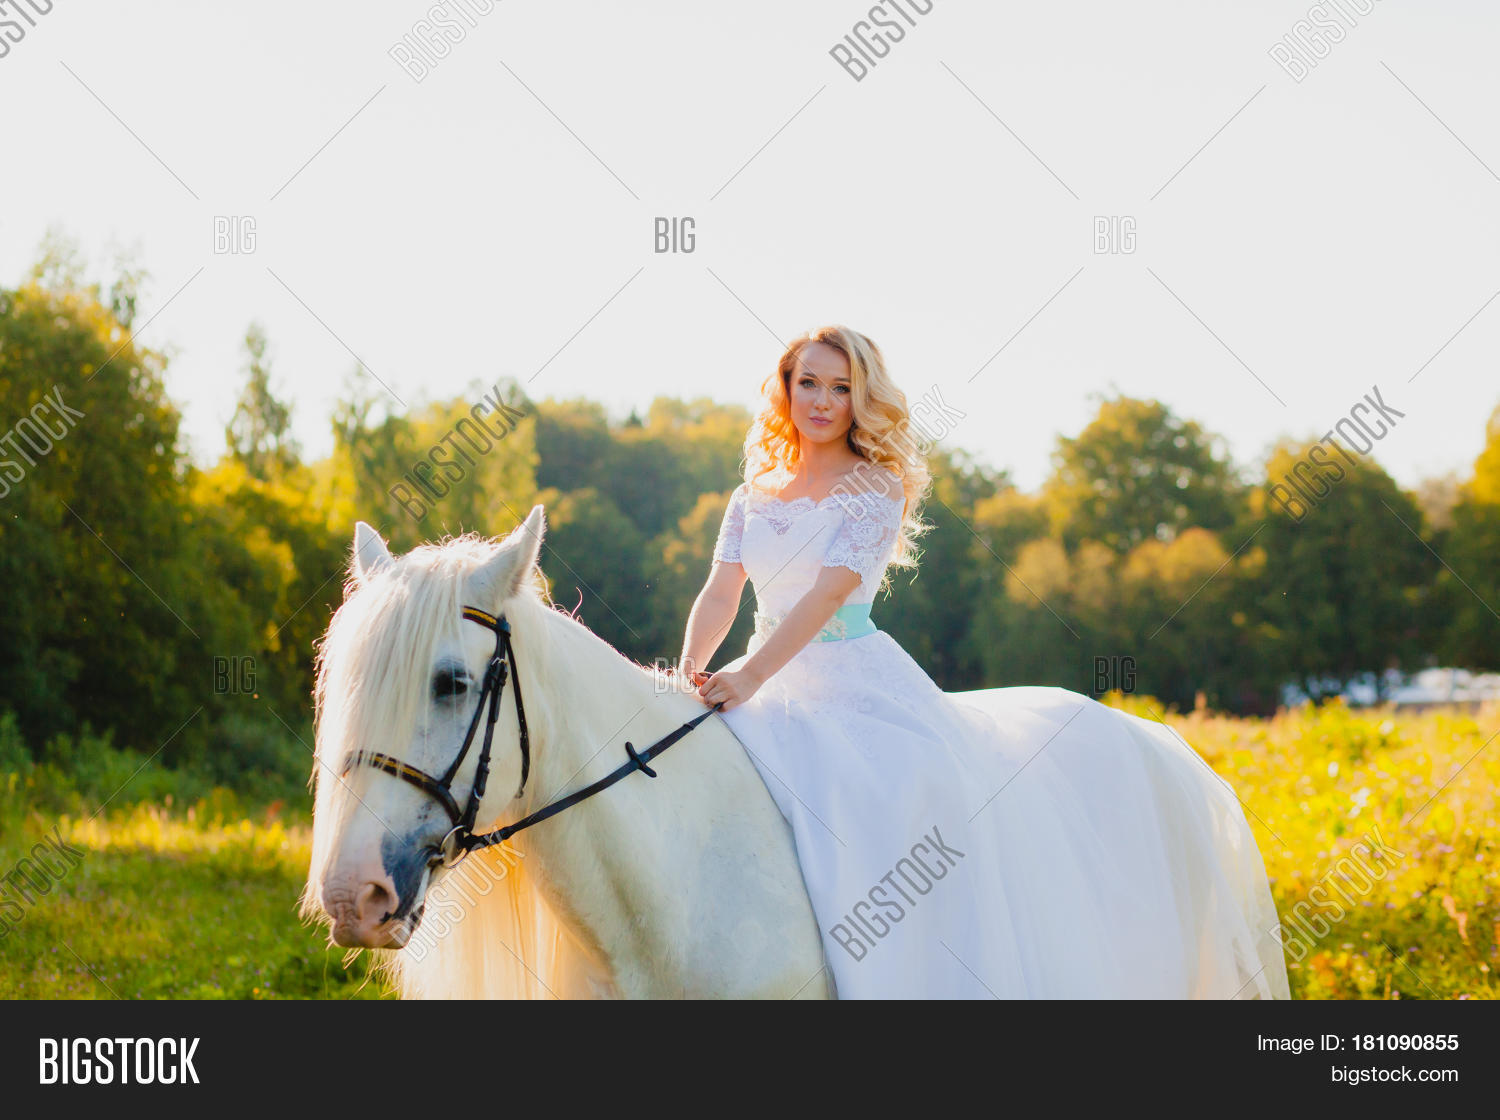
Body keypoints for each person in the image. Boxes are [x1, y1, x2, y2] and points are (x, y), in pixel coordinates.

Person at [677, 325, 1289, 999]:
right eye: (809, 383)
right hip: (754, 679)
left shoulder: (875, 486)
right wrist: (691, 670)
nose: (822, 400)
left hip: (848, 678)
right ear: (786, 388)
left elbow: (826, 597)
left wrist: (753, 674)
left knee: (899, 797)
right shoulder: (752, 494)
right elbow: (722, 590)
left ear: (862, 399)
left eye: (842, 387)